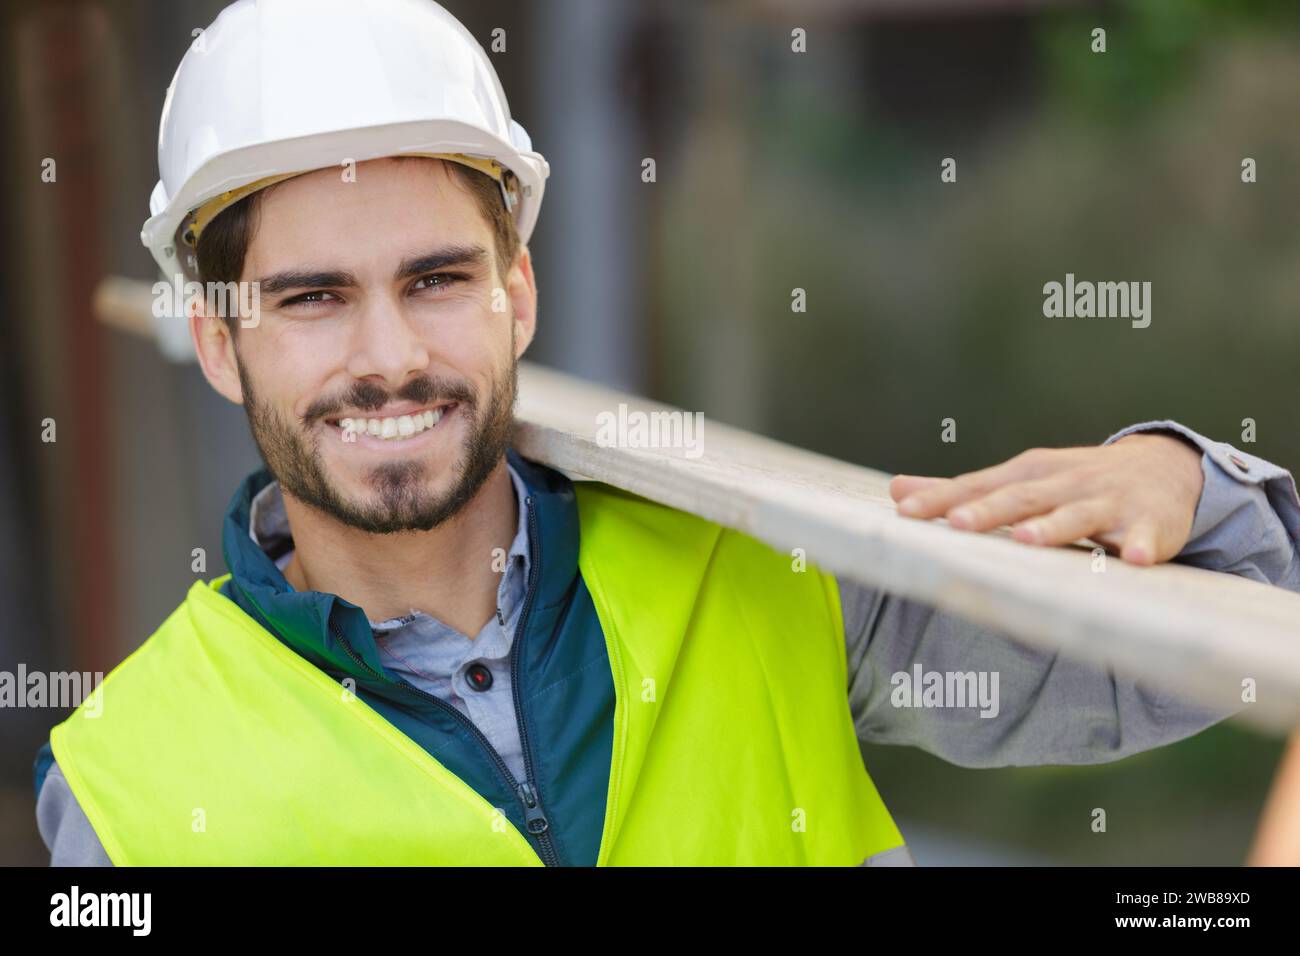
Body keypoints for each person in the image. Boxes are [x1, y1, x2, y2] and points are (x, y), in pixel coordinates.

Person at [35, 0, 1300, 866]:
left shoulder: (764, 570)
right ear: (215, 338)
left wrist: (1187, 477)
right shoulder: (127, 791)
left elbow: (1237, 643)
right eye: (313, 298)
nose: (389, 357)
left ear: (515, 291)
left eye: (434, 279)